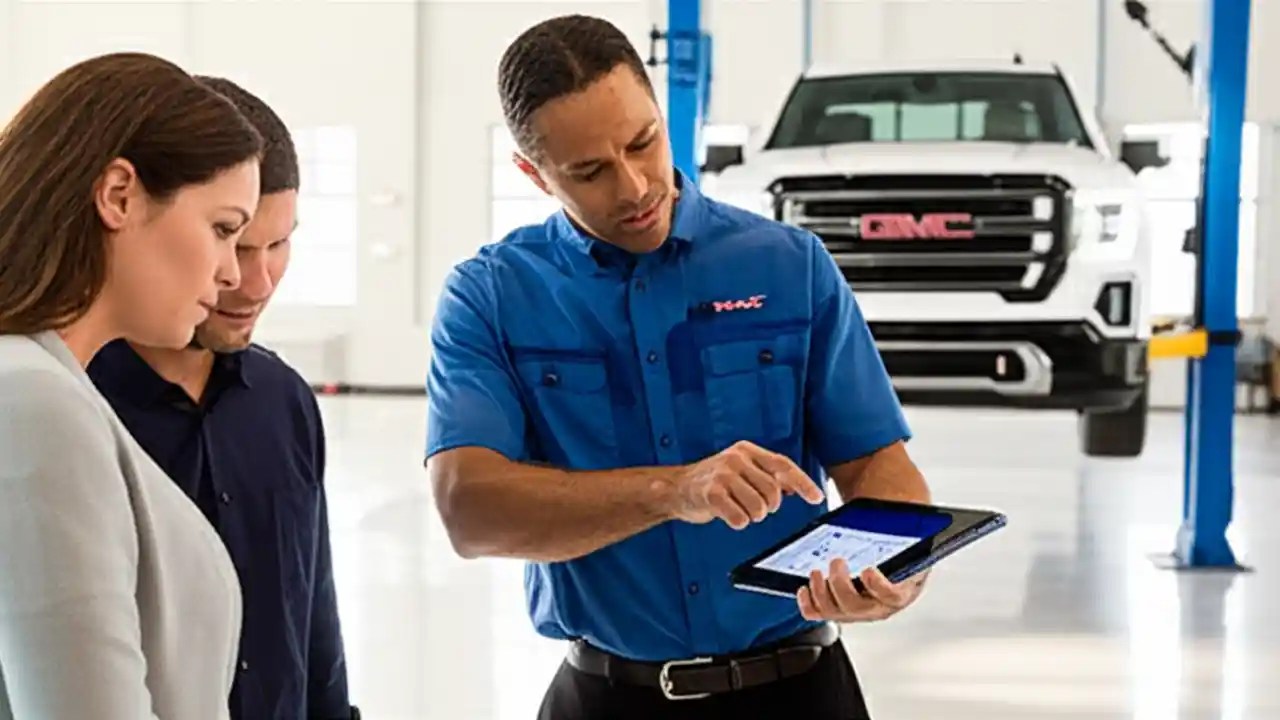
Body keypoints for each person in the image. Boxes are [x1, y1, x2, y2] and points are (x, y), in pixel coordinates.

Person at [424, 13, 933, 720]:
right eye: (590, 171)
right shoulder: (492, 296)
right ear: (533, 174)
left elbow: (880, 468)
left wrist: (898, 577)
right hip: (603, 699)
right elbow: (467, 511)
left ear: (662, 114)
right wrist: (674, 491)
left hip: (800, 693)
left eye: (644, 142)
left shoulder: (790, 267)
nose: (634, 186)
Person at [0, 52, 262, 718]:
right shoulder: (33, 400)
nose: (234, 273)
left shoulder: (49, 384)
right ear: (119, 195)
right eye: (224, 229)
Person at [87, 77, 358, 720]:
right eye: (232, 241)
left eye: (279, 243)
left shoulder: (285, 400)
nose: (254, 281)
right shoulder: (69, 406)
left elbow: (313, 623)